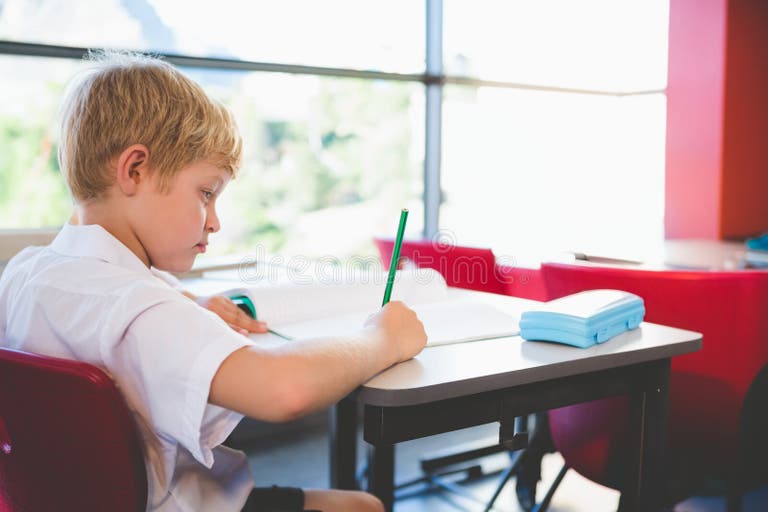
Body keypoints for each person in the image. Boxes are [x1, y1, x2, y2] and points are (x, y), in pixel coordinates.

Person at [0, 51, 427, 512]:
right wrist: (381, 337)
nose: (215, 221)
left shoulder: (22, 273)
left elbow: (101, 316)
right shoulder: (140, 311)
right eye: (206, 193)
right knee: (365, 507)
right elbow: (285, 390)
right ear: (135, 170)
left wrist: (185, 303)